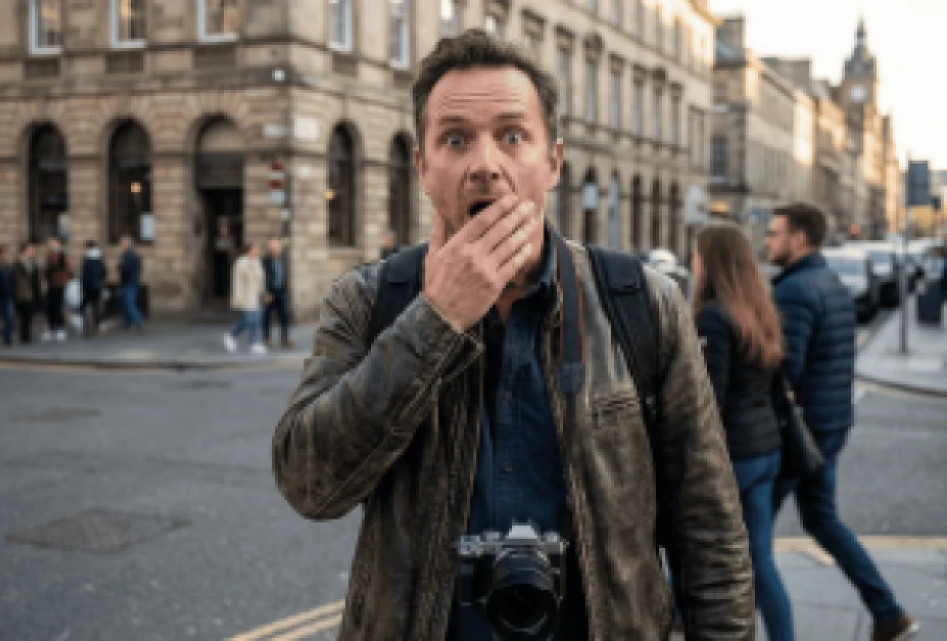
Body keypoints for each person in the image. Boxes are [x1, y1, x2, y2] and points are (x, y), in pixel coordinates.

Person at [272, 30, 753, 641]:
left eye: (511, 136)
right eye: (454, 139)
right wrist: (435, 319)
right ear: (422, 168)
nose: (485, 165)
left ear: (552, 162)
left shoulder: (642, 305)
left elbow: (710, 534)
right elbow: (308, 483)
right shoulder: (366, 302)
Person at [766, 203, 918, 641]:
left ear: (798, 240)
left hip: (799, 436)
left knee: (743, 536)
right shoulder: (830, 283)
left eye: (774, 234)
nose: (768, 241)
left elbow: (786, 371)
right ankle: (888, 612)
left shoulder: (795, 291)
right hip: (828, 429)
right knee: (822, 521)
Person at [693, 221, 794, 641]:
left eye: (697, 254)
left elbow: (707, 399)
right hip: (767, 449)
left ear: (712, 261)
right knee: (759, 559)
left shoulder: (714, 317)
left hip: (736, 452)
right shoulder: (760, 310)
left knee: (707, 554)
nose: (692, 262)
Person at [224, 242, 267, 355]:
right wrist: (237, 297)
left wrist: (264, 293)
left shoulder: (257, 262)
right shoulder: (241, 263)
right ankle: (231, 335)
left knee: (256, 319)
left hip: (256, 296)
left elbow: (260, 279)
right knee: (247, 319)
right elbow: (237, 281)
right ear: (249, 250)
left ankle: (255, 343)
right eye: (255, 249)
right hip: (246, 296)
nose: (257, 251)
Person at [262, 237, 293, 348]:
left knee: (284, 315)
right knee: (267, 316)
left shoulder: (284, 259)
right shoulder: (265, 261)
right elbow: (262, 277)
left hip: (281, 291)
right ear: (269, 248)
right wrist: (265, 292)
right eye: (272, 247)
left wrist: (287, 290)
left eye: (276, 246)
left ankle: (285, 338)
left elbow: (286, 275)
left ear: (279, 247)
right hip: (270, 292)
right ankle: (266, 338)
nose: (274, 249)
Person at [13, 243, 41, 344]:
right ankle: (24, 336)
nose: (33, 252)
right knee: (24, 314)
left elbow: (35, 278)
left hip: (30, 292)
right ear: (25, 251)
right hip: (22, 292)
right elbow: (16, 278)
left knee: (28, 315)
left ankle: (26, 335)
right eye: (31, 250)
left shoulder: (32, 263)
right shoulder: (18, 262)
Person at [44, 237, 70, 341]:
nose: (51, 246)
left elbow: (65, 267)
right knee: (50, 307)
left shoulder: (61, 255)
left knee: (58, 306)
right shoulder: (48, 256)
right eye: (50, 244)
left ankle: (60, 328)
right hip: (50, 285)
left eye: (53, 244)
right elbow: (47, 270)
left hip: (59, 285)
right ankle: (51, 328)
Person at [118, 235, 144, 332]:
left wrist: (120, 265)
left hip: (128, 282)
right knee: (126, 303)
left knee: (129, 304)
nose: (120, 246)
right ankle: (128, 324)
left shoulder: (127, 256)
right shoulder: (133, 255)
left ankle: (138, 321)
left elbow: (125, 269)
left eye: (121, 244)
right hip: (133, 282)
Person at [81, 239, 107, 337]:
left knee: (85, 306)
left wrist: (83, 286)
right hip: (98, 286)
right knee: (96, 306)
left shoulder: (87, 259)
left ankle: (87, 327)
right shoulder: (100, 259)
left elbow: (85, 274)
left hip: (88, 286)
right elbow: (104, 272)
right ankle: (97, 326)